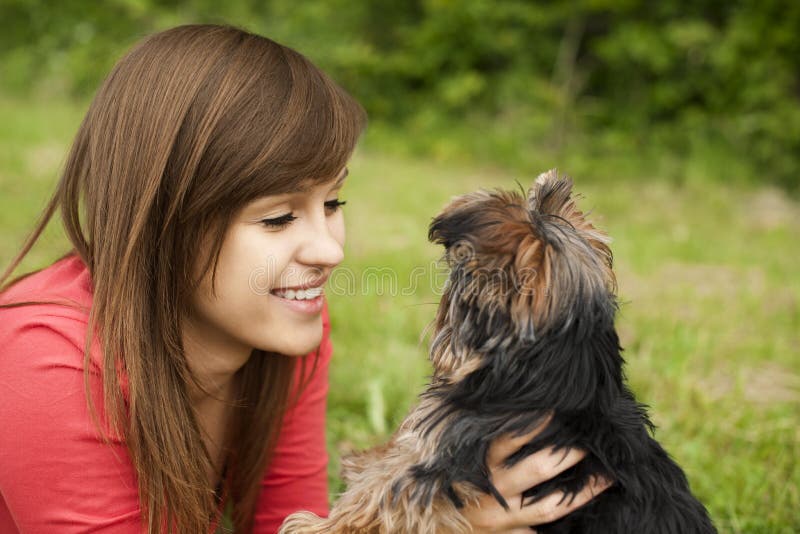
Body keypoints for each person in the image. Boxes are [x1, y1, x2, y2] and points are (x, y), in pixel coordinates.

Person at [0, 24, 609, 533]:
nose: (329, 250)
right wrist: (430, 519)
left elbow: (287, 523)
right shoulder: (45, 365)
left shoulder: (283, 327)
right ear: (163, 221)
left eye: (333, 203)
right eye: (278, 217)